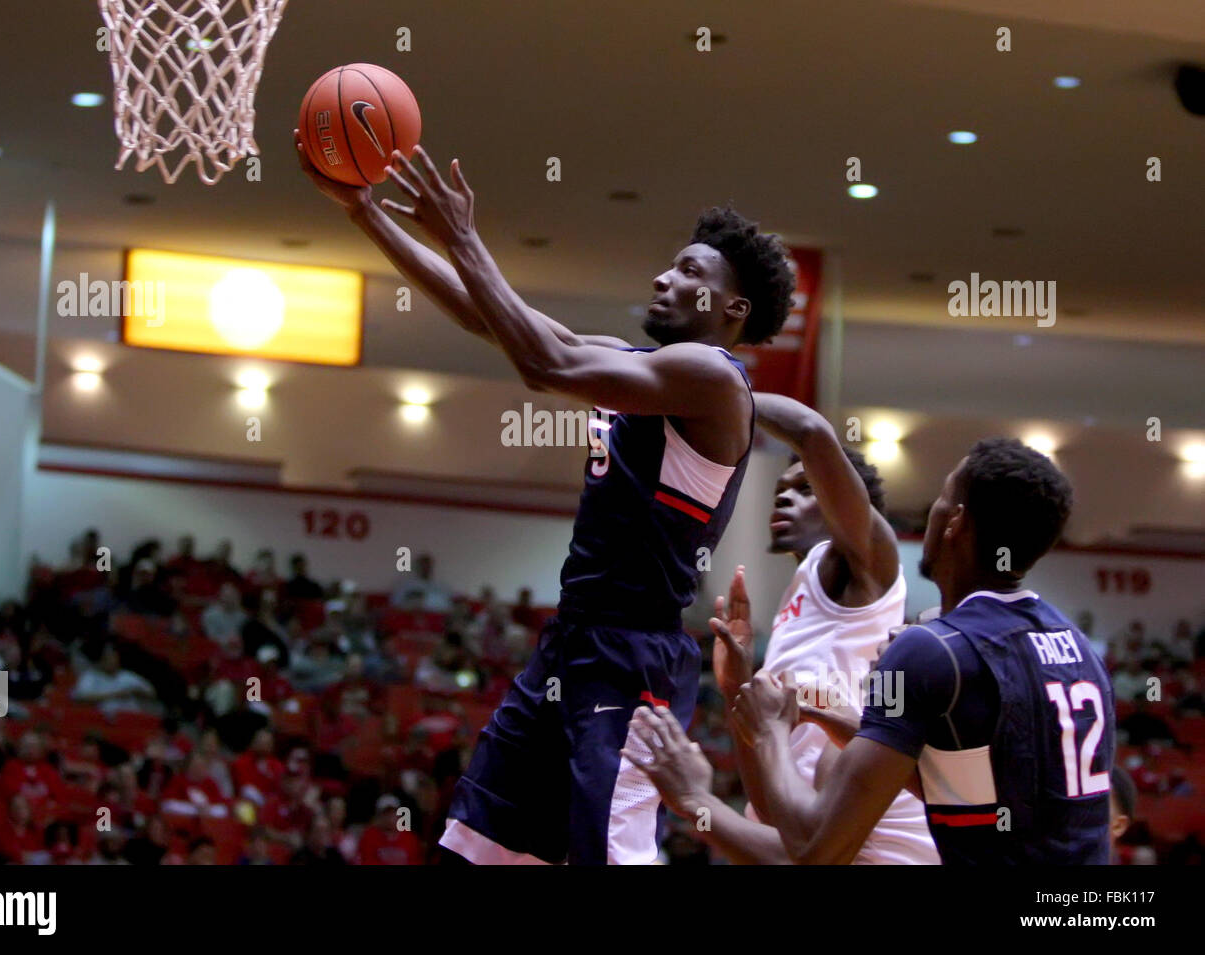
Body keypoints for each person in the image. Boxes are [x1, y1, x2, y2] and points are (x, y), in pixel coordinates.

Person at [298, 137, 795, 864]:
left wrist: (465, 234)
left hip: (632, 660)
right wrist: (365, 213)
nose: (662, 275)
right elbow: (490, 317)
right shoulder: (641, 368)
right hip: (573, 642)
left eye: (687, 270)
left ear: (731, 307)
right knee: (477, 847)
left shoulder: (715, 382)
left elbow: (544, 363)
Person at [630, 437, 1114, 864]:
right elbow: (975, 792)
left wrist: (695, 797)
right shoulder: (1076, 648)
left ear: (955, 522)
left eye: (940, 500)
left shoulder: (930, 650)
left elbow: (813, 853)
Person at [700, 395, 937, 863]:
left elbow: (812, 434)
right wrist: (736, 686)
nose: (785, 495)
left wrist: (723, 387)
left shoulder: (871, 571)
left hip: (854, 816)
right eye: (781, 489)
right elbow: (768, 808)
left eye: (807, 487)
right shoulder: (800, 593)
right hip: (799, 814)